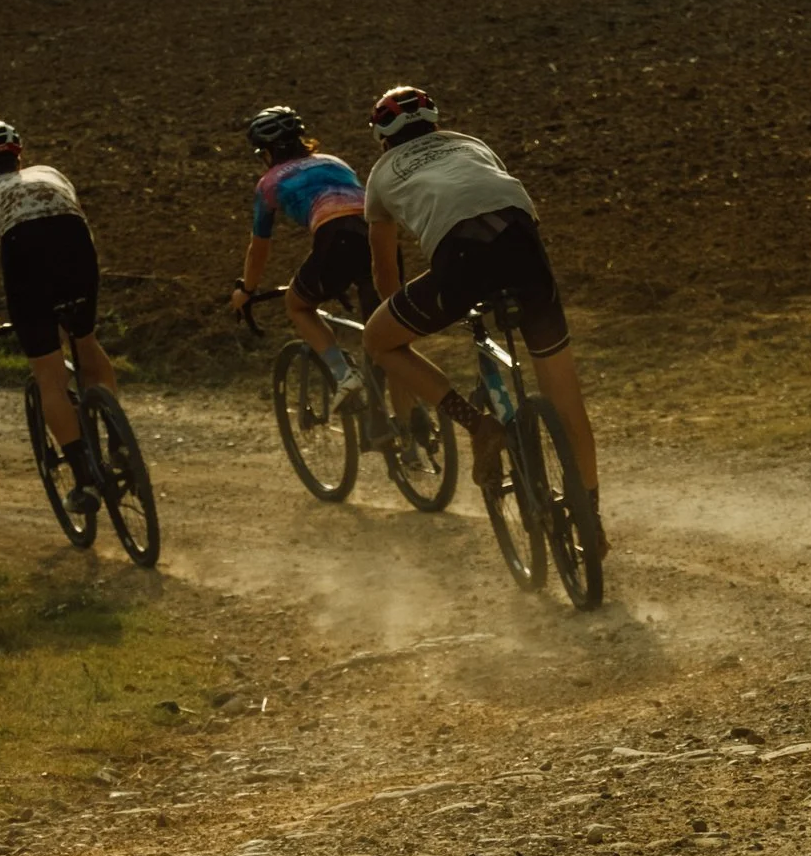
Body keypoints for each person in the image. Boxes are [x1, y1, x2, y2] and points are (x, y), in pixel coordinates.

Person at [357, 86, 605, 558]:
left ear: (382, 138)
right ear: (434, 121)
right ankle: (590, 520)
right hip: (526, 250)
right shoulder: (470, 142)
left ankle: (478, 425)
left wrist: (401, 316)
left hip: (462, 262)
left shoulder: (381, 173)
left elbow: (384, 268)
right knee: (566, 397)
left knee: (377, 340)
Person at [0, 120, 117, 514]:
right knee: (84, 338)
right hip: (75, 243)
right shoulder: (50, 174)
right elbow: (73, 220)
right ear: (19, 157)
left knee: (49, 377)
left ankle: (85, 481)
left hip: (23, 250)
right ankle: (119, 440)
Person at [224, 105, 377, 396]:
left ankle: (345, 376)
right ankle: (402, 423)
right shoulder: (335, 162)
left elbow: (259, 248)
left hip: (337, 239)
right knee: (385, 341)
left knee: (298, 304)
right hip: (378, 237)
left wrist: (247, 290)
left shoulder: (269, 183)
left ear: (266, 152)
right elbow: (352, 211)